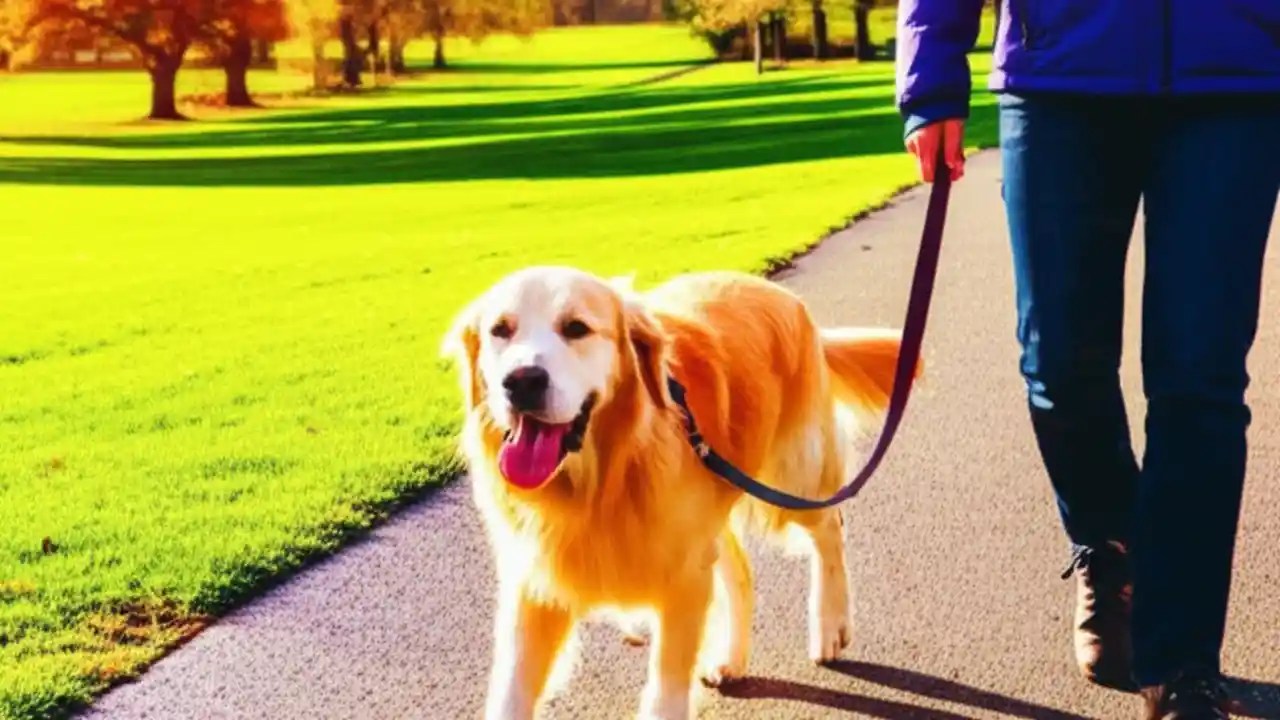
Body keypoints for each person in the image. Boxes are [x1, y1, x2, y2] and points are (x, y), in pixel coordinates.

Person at [893, 2, 1280, 719]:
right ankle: (1110, 539)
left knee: (1201, 380)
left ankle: (1183, 663)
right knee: (1058, 365)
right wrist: (931, 77)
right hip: (1058, 74)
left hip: (1236, 75)